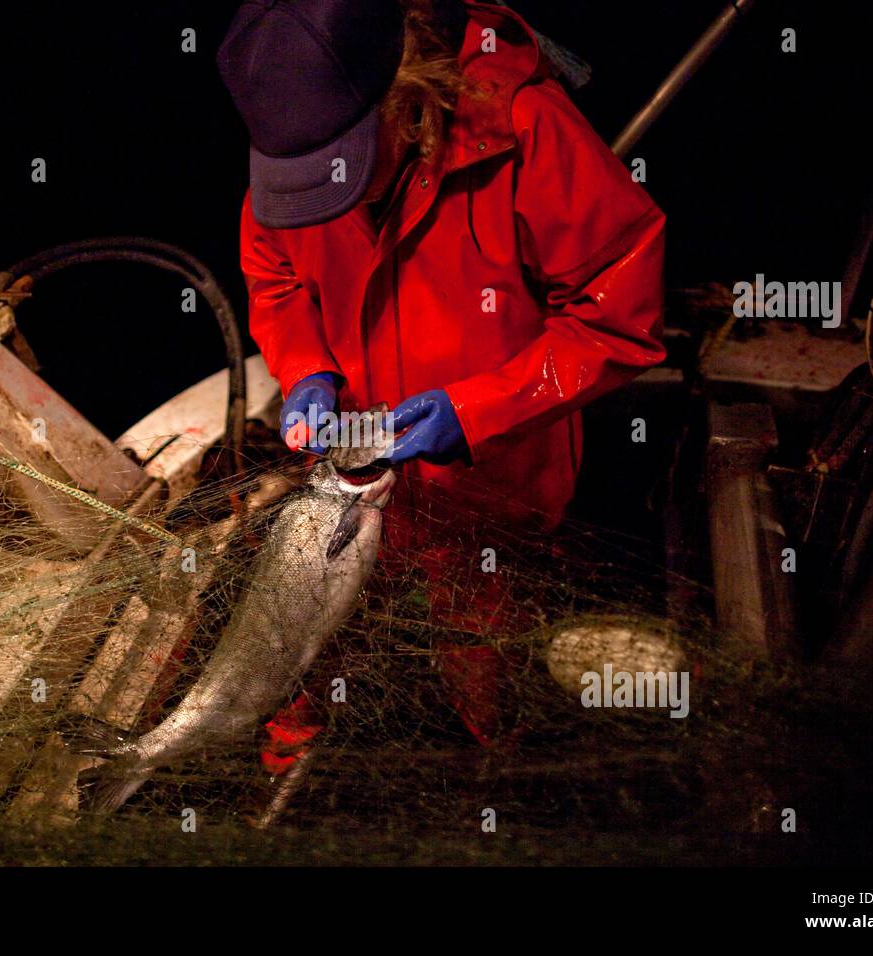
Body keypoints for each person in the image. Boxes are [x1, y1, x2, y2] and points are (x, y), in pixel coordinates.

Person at [217, 0, 665, 768]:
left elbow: (616, 318)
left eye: (342, 169)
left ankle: (496, 760)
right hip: (350, 457)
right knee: (310, 626)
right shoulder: (292, 136)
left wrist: (476, 410)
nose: (331, 198)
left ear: (404, 95)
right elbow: (276, 277)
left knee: (484, 636)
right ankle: (288, 736)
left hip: (497, 467)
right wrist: (307, 371)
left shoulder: (527, 131)